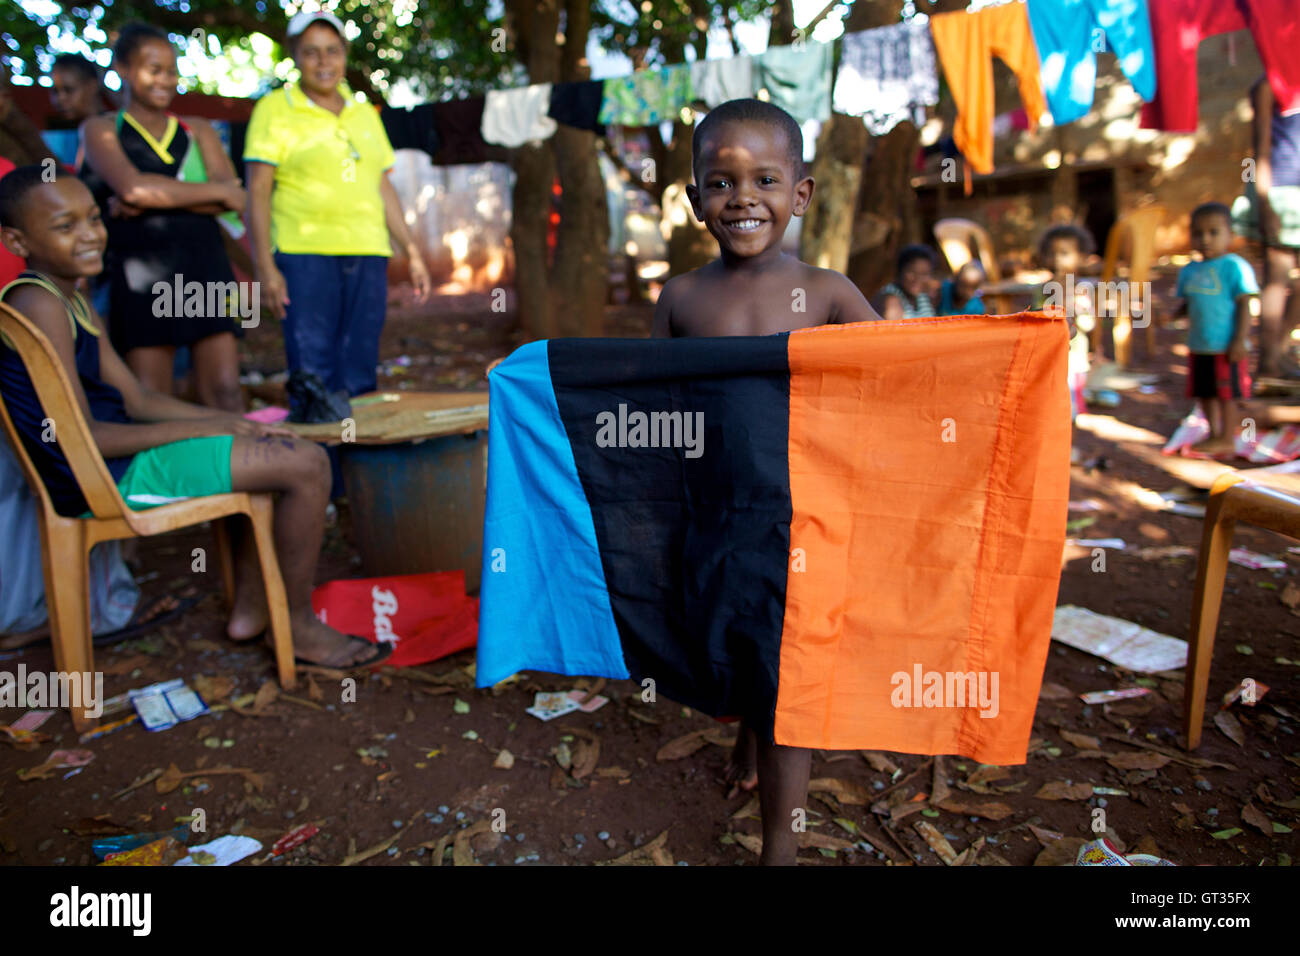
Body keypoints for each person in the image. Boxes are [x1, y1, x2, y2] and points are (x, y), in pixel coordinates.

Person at [0, 165, 389, 668]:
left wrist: (224, 421)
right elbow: (83, 435)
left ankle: (253, 606)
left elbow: (138, 400)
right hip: (100, 476)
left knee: (270, 447)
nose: (91, 234)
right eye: (65, 225)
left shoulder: (68, 296)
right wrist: (211, 425)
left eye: (94, 218)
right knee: (307, 464)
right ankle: (297, 626)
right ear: (17, 240)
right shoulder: (36, 302)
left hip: (111, 460)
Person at [652, 98, 879, 865]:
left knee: (789, 685)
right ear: (696, 200)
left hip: (804, 521)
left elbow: (899, 376)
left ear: (801, 194)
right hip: (714, 518)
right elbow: (654, 407)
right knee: (739, 647)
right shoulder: (681, 299)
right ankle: (747, 741)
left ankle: (780, 848)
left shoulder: (829, 293)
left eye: (765, 180)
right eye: (721, 182)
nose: (742, 198)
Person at [244, 9, 431, 418]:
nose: (323, 61)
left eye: (332, 51)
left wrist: (412, 251)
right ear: (295, 55)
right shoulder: (274, 110)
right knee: (314, 372)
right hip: (303, 255)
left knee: (360, 367)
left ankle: (358, 457)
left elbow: (382, 187)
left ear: (345, 55)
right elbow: (257, 191)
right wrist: (264, 266)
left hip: (368, 252)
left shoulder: (364, 114)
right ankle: (319, 459)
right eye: (311, 52)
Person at [80, 22, 246, 412]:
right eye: (154, 70)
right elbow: (132, 188)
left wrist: (152, 198)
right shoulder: (101, 129)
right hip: (142, 275)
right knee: (153, 398)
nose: (166, 80)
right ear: (123, 69)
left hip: (207, 267)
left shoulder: (197, 130)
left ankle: (238, 453)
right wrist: (209, 193)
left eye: (172, 71)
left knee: (224, 390)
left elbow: (234, 197)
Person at [1175, 202, 1260, 457]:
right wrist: (1170, 315)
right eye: (1198, 233)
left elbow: (1245, 305)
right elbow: (1189, 303)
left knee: (1227, 394)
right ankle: (1214, 434)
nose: (1205, 239)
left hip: (1226, 346)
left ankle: (1227, 438)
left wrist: (1240, 340)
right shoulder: (1189, 270)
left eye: (1214, 232)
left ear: (1230, 234)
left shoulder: (1235, 267)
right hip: (1199, 345)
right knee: (1205, 393)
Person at [1234, 77, 1300, 379]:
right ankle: (1268, 361)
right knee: (1277, 277)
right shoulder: (1267, 87)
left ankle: (1278, 351)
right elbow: (1259, 150)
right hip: (1279, 192)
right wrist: (1264, 202)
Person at [1035, 223, 1097, 421]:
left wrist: (1072, 304)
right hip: (1047, 358)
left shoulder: (1082, 290)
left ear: (1081, 257)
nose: (1057, 259)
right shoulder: (1041, 289)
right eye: (1051, 253)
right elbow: (1035, 319)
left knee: (1070, 411)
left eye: (1064, 253)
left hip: (1074, 359)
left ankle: (1072, 439)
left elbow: (1088, 324)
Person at [878, 244, 938, 320]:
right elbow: (894, 326)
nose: (918, 278)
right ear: (900, 271)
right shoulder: (891, 298)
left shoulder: (923, 297)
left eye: (924, 274)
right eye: (912, 271)